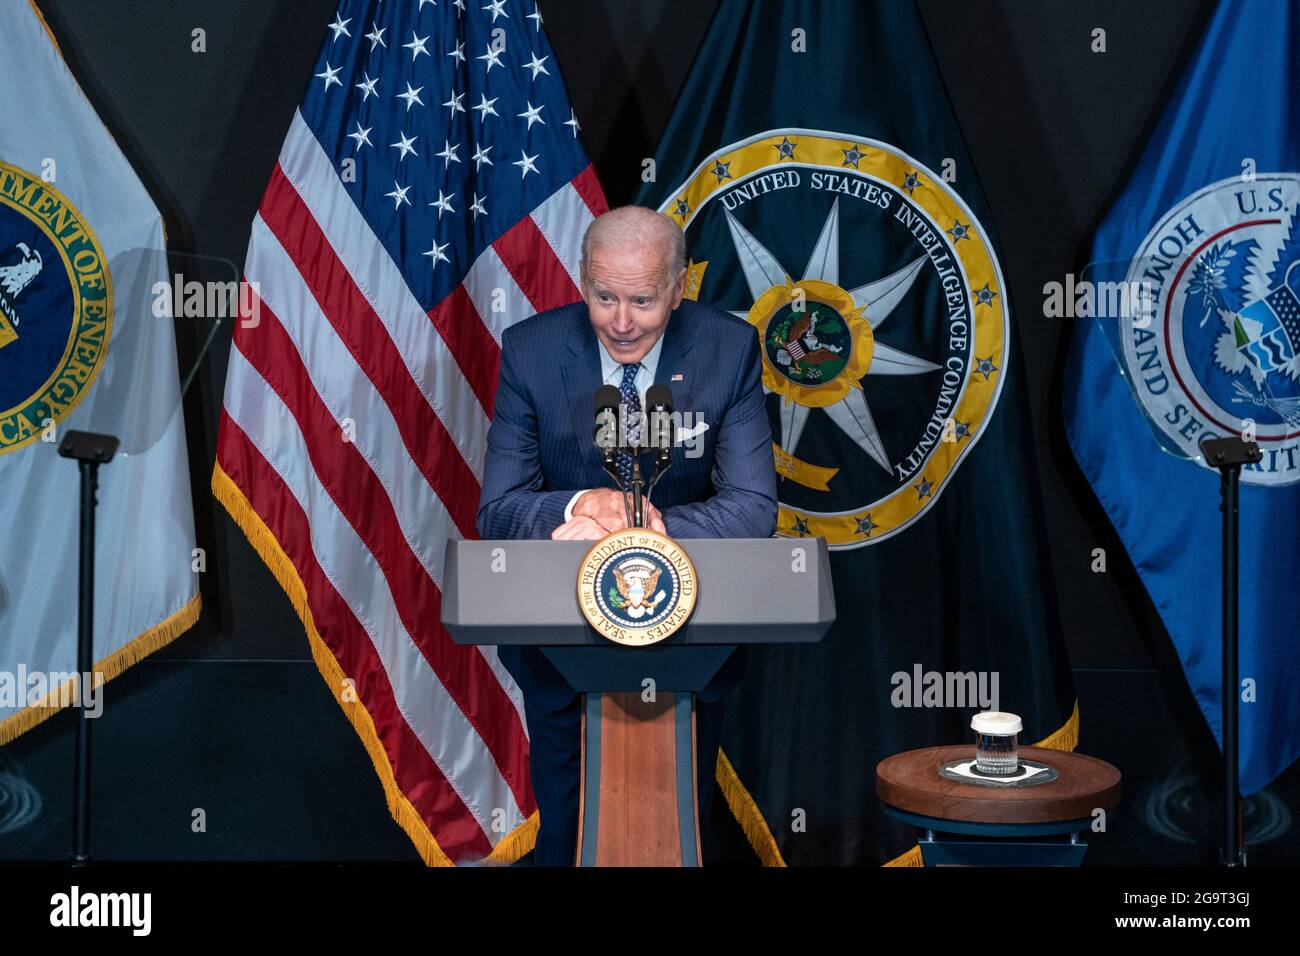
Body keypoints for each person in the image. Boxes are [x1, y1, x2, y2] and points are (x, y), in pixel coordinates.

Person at [476, 204, 777, 865]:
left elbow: (754, 508)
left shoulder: (728, 350)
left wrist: (649, 528)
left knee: (675, 830)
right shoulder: (532, 350)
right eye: (603, 296)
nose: (620, 321)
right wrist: (579, 508)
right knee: (566, 834)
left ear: (678, 288)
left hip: (691, 643)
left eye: (642, 300)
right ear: (582, 279)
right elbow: (497, 509)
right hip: (559, 647)